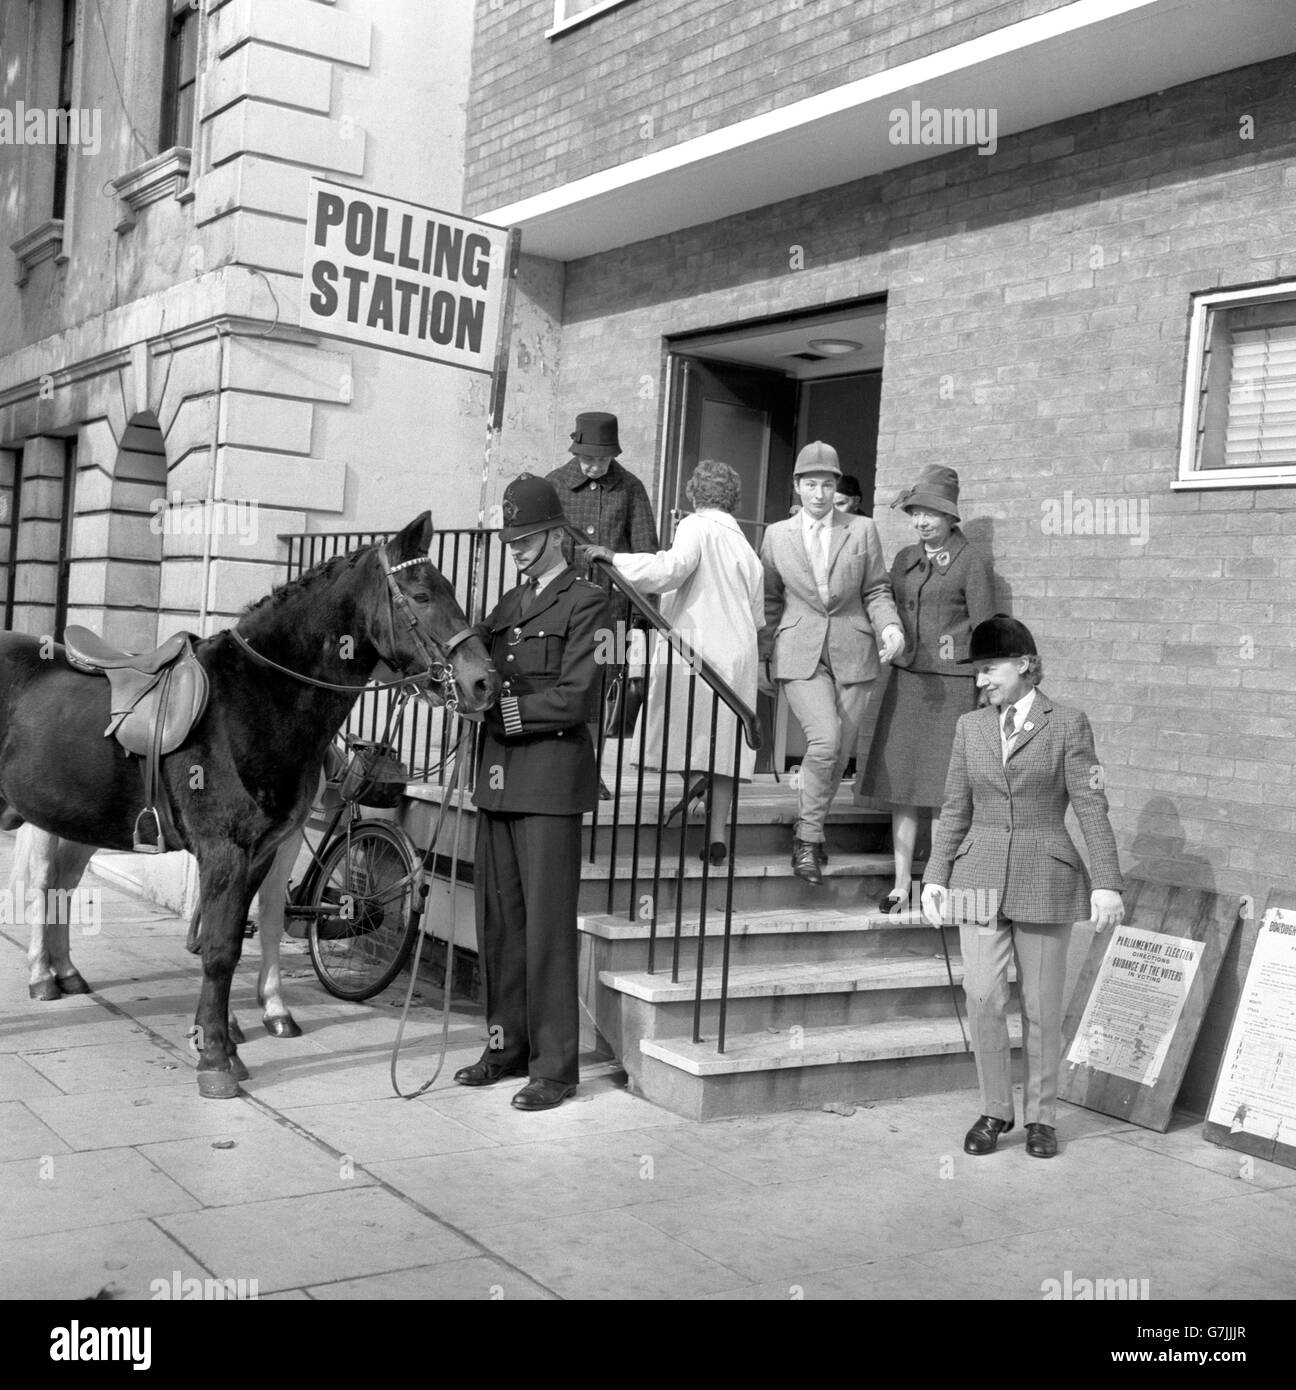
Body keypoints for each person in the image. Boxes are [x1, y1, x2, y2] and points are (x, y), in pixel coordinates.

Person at [920, 615, 1125, 1160]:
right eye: (977, 672)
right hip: (975, 872)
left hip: (1046, 871)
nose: (981, 681)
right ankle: (994, 1109)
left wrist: (1106, 881)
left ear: (1025, 666)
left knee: (1041, 1006)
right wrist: (935, 874)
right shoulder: (970, 728)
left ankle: (1041, 1118)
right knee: (982, 994)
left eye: (989, 669)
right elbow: (955, 806)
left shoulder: (1069, 724)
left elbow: (1090, 806)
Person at [455, 474, 610, 1112]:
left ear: (556, 536)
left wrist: (506, 713)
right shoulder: (508, 605)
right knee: (500, 925)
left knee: (547, 928)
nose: (516, 549)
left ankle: (555, 1069)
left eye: (526, 539)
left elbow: (579, 695)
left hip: (549, 779)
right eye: (510, 539)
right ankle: (504, 1046)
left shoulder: (591, 603)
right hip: (496, 779)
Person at [583, 459, 763, 864]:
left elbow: (670, 570)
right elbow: (758, 614)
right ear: (732, 498)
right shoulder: (744, 543)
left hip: (696, 646)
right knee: (723, 746)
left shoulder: (695, 526)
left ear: (693, 494)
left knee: (682, 731)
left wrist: (615, 559)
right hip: (739, 652)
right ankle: (716, 836)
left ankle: (694, 781)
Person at [759, 441, 904, 885]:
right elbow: (769, 600)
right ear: (797, 486)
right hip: (799, 650)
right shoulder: (775, 535)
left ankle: (813, 835)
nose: (819, 493)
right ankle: (807, 838)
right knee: (824, 740)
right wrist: (764, 656)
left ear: (837, 486)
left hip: (854, 649)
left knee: (840, 751)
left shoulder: (861, 530)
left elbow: (876, 589)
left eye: (827, 484)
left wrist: (891, 629)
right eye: (810, 484)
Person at [859, 465, 996, 913]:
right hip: (906, 681)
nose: (922, 521)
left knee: (943, 793)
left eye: (931, 513)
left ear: (951, 517)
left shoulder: (972, 562)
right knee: (903, 788)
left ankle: (938, 886)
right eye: (916, 512)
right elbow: (884, 606)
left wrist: (984, 689)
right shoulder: (903, 559)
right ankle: (901, 884)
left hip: (952, 688)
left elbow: (985, 630)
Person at [546, 410, 659, 794]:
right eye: (587, 458)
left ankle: (590, 773)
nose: (593, 466)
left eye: (602, 459)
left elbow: (647, 555)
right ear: (576, 451)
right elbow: (536, 546)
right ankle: (559, 768)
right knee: (558, 685)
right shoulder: (555, 485)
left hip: (614, 615)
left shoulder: (630, 487)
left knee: (603, 691)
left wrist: (645, 616)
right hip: (560, 608)